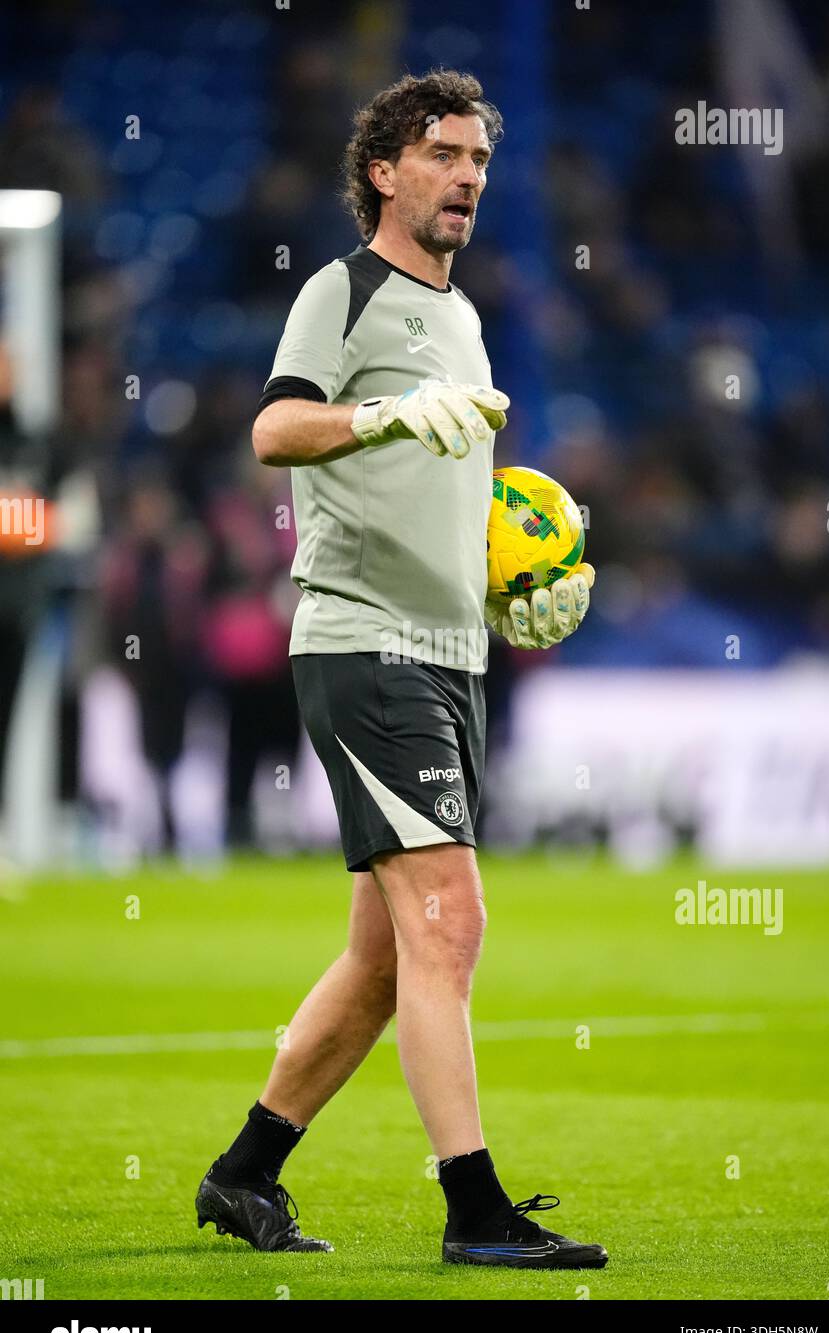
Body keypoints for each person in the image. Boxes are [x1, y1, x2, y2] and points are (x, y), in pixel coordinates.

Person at [196, 69, 604, 1270]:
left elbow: (439, 493)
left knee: (385, 960)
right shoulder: (345, 289)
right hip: (365, 648)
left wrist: (509, 583)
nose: (468, 176)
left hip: (449, 654)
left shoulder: (462, 316)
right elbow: (275, 430)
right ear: (384, 170)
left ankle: (244, 1174)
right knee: (450, 922)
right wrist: (379, 416)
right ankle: (473, 1211)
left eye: (479, 159)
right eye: (444, 155)